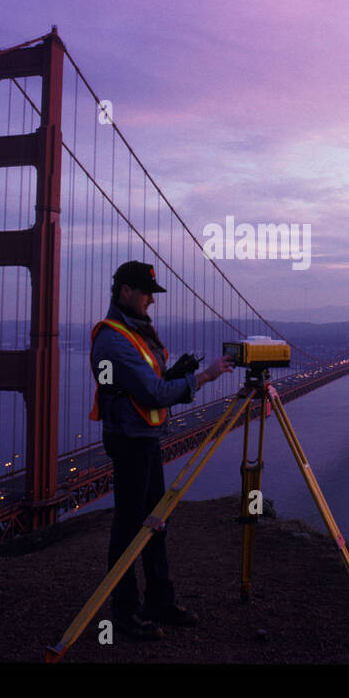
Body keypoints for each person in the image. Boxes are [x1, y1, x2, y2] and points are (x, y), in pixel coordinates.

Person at [90, 260, 234, 640]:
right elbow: (151, 393)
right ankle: (124, 613)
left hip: (146, 437)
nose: (152, 301)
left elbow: (153, 383)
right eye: (146, 293)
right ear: (125, 292)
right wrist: (204, 376)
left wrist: (175, 376)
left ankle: (159, 600)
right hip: (130, 440)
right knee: (128, 528)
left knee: (157, 521)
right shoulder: (113, 339)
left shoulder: (134, 332)